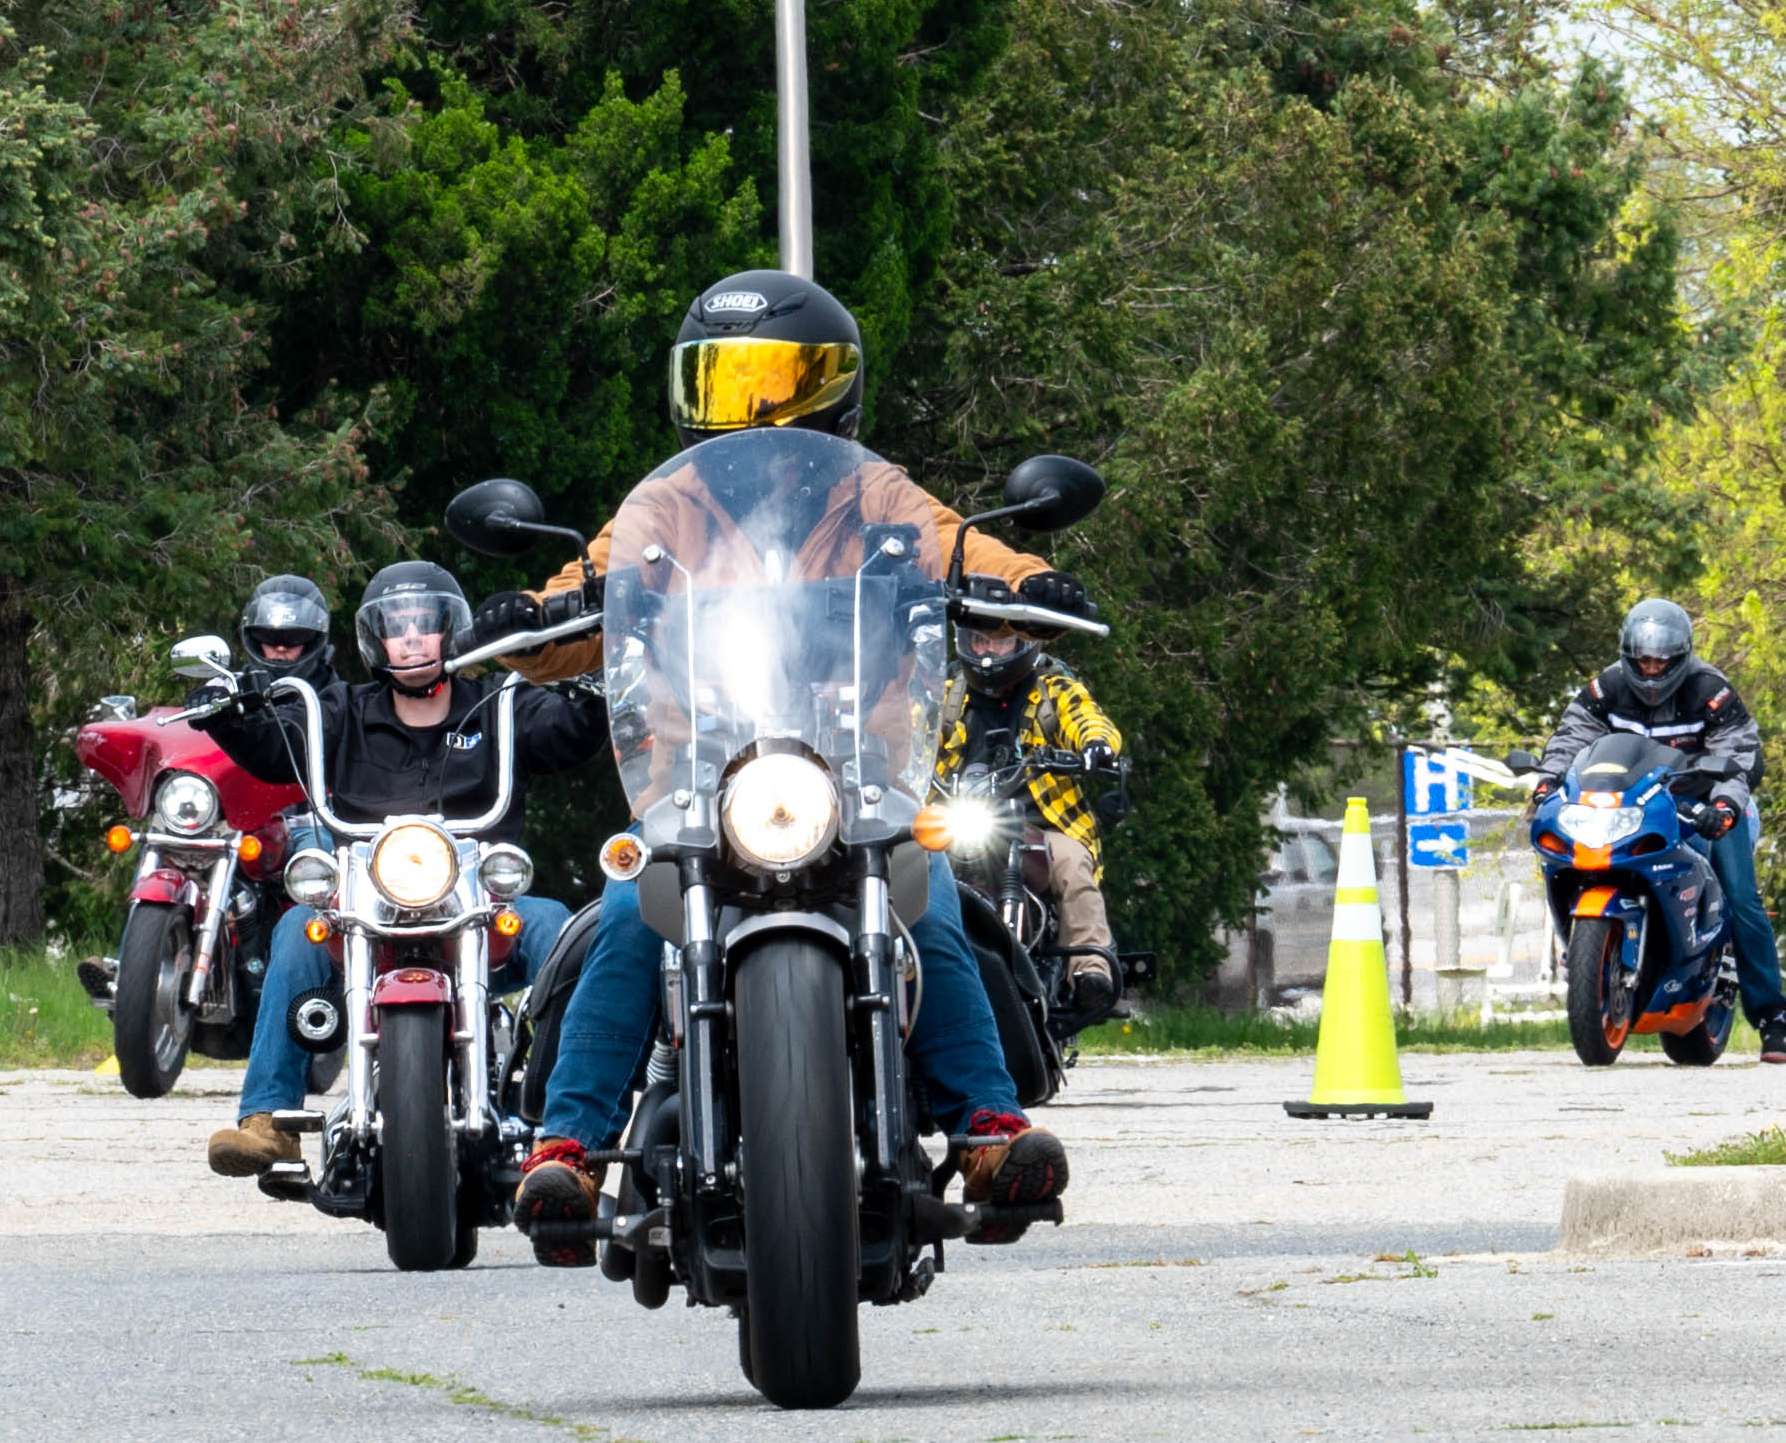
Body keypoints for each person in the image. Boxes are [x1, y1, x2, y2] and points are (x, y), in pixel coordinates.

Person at [503, 269, 1075, 1256]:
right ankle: (568, 1146)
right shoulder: (669, 504)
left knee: (923, 883)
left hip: (856, 768)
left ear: (832, 391)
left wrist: (1025, 580)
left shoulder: (875, 492)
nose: (753, 409)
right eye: (728, 382)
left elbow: (958, 546)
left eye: (778, 380)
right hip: (697, 770)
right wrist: (530, 615)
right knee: (640, 900)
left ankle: (986, 1125)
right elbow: (593, 578)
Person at [192, 562, 605, 1177]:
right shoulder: (338, 711)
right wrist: (225, 714)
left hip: (486, 908)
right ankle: (270, 1120)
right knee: (295, 930)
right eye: (397, 626)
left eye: (424, 624)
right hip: (363, 912)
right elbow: (279, 748)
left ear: (451, 630)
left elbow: (569, 733)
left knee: (565, 935)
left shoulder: (500, 702)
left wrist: (595, 692)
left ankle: (566, 1123)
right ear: (374, 640)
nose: (411, 638)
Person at [1537, 597, 1786, 1063]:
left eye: (1662, 661)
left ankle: (1773, 1018)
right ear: (1629, 655)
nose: (1652, 670)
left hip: (1703, 803)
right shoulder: (1605, 687)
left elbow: (1739, 754)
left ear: (1681, 656)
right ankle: (1592, 959)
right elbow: (1572, 736)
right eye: (1643, 660)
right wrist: (1548, 782)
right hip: (1632, 804)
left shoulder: (1710, 689)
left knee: (1740, 896)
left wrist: (1725, 805)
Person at [937, 585, 1129, 1004]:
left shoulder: (1052, 688)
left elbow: (1087, 718)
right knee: (901, 867)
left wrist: (1097, 745)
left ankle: (1091, 971)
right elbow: (907, 728)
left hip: (1039, 827)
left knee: (1073, 864)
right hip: (953, 821)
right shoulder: (945, 691)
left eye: (1001, 640)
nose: (989, 651)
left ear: (1024, 641)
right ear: (964, 641)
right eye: (981, 639)